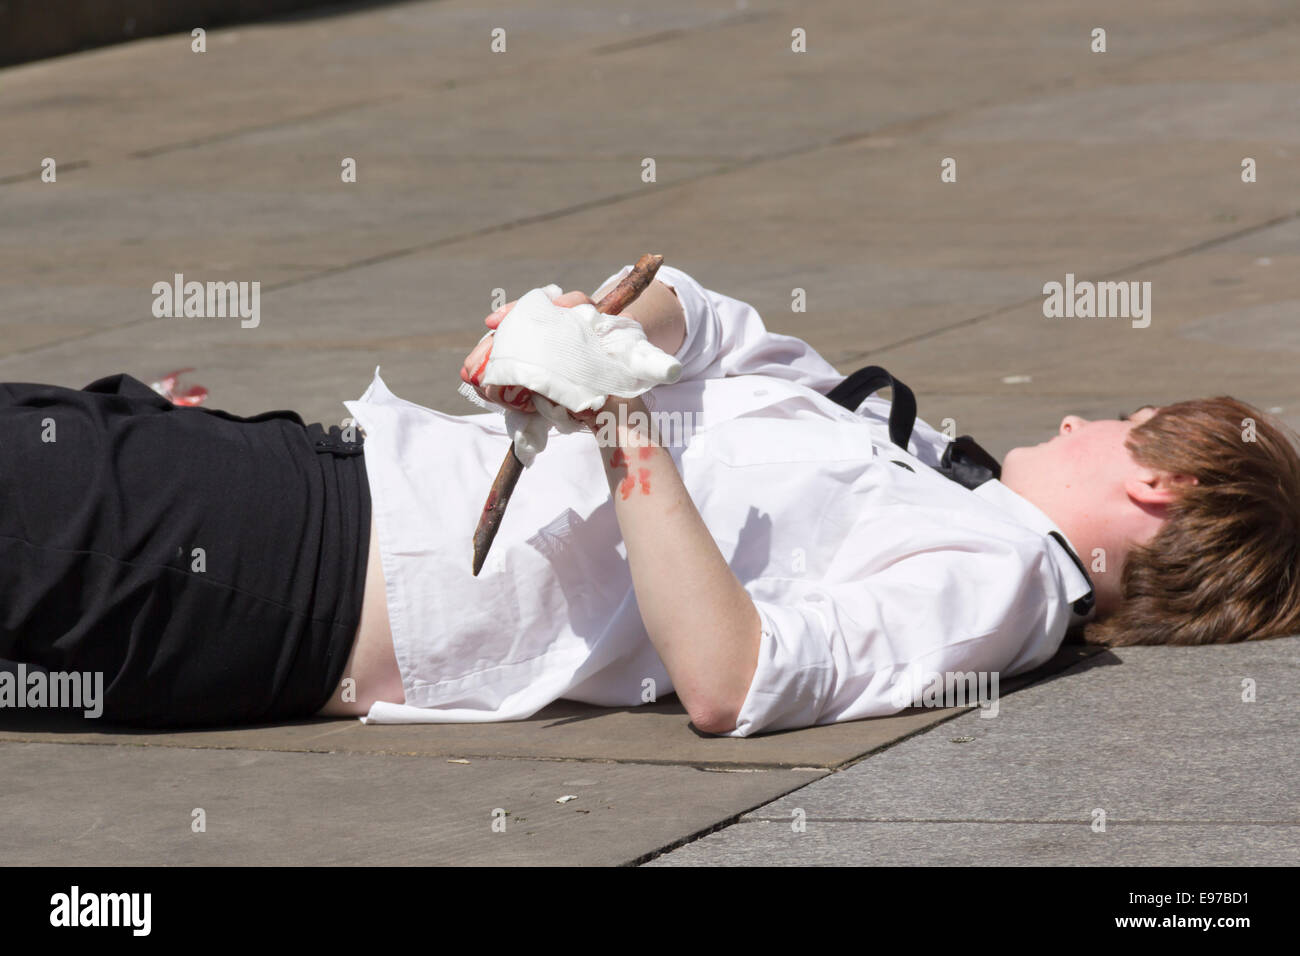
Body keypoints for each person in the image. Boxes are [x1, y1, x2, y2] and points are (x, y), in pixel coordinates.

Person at [3, 265, 1298, 734]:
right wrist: (593, 327)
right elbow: (705, 319)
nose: (1079, 417)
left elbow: (735, 676)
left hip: (299, 566)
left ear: (1155, 483)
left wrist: (618, 423)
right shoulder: (924, 460)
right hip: (292, 495)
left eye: (1116, 423)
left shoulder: (998, 578)